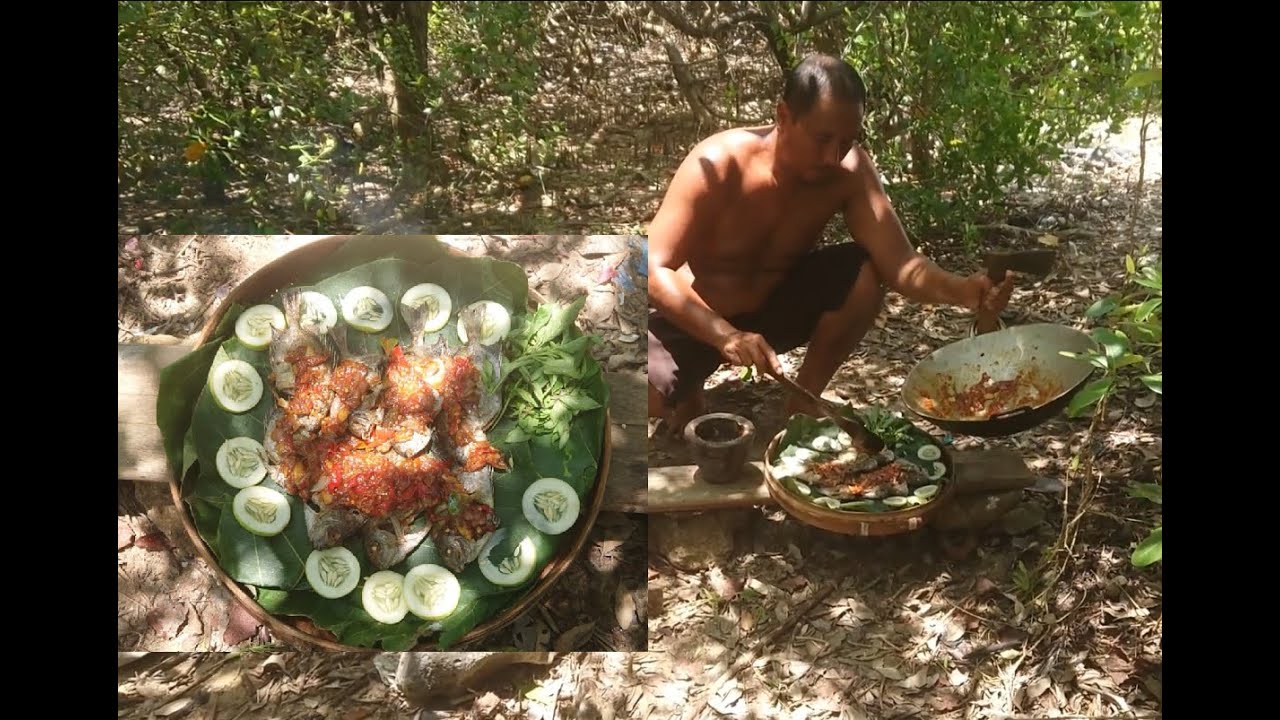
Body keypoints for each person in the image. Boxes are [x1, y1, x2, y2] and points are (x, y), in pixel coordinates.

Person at [647, 52, 1015, 435]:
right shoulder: (718, 163)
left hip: (774, 313)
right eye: (822, 139)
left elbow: (899, 263)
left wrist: (963, 290)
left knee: (863, 273)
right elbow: (653, 269)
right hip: (703, 318)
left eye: (845, 142)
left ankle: (803, 403)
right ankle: (688, 388)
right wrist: (724, 334)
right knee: (644, 398)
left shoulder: (849, 172)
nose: (832, 156)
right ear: (784, 116)